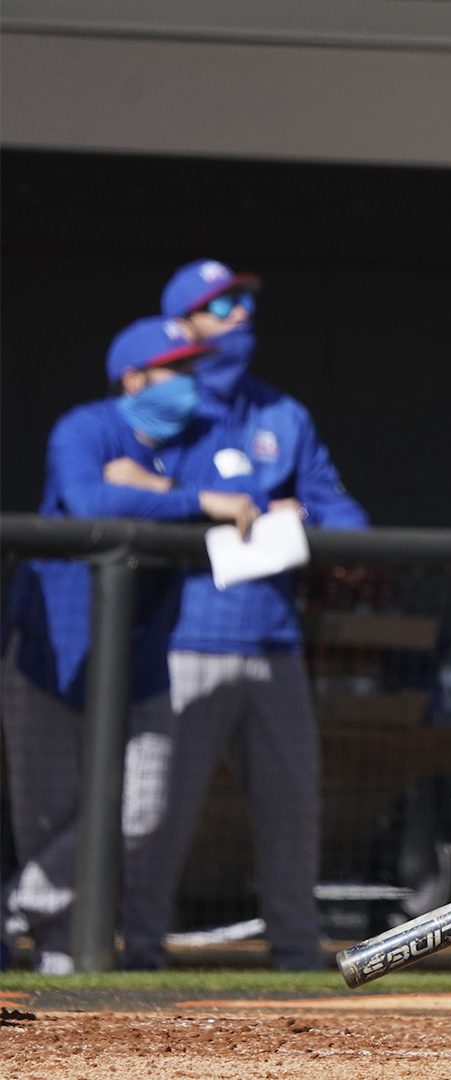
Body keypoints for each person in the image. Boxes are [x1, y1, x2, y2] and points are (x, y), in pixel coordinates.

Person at [120, 260, 367, 972]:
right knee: (157, 812)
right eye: (219, 305)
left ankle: (295, 954)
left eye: (244, 301)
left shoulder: (281, 414)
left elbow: (349, 519)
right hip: (180, 639)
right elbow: (125, 495)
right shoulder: (162, 408)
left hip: (274, 642)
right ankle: (138, 952)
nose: (239, 314)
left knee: (293, 808)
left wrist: (303, 511)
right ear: (184, 325)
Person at [1, 316, 258, 974]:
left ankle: (12, 910)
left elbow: (247, 507)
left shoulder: (199, 441)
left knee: (139, 812)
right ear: (135, 377)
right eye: (177, 369)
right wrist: (191, 502)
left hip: (141, 665)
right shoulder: (86, 427)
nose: (190, 383)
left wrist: (161, 491)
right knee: (52, 820)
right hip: (49, 660)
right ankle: (60, 967)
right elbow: (88, 499)